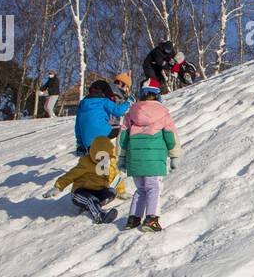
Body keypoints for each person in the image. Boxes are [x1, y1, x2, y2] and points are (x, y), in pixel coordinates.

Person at [118, 84, 180, 233]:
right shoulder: (163, 113)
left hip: (135, 158)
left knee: (141, 189)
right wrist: (174, 155)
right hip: (154, 159)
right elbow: (171, 136)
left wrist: (121, 157)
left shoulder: (131, 113)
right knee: (154, 188)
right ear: (158, 95)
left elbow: (122, 137)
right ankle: (152, 219)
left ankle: (133, 218)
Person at [54, 135, 126, 224]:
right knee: (90, 199)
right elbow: (71, 175)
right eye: (100, 157)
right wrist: (58, 186)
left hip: (98, 191)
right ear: (94, 153)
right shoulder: (86, 163)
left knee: (112, 192)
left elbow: (116, 177)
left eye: (105, 156)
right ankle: (99, 215)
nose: (102, 160)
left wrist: (121, 192)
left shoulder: (110, 164)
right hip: (81, 193)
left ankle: (94, 205)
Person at [74, 79, 132, 155]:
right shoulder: (104, 101)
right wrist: (128, 103)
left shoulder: (82, 104)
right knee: (123, 129)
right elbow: (118, 111)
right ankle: (124, 152)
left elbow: (78, 126)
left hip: (87, 142)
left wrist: (80, 144)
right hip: (104, 134)